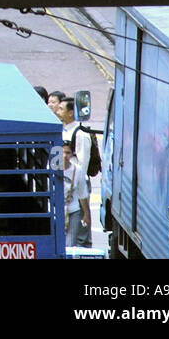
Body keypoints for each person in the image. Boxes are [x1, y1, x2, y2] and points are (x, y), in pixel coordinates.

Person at [58, 98, 93, 246]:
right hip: (66, 182)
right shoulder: (64, 130)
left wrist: (73, 179)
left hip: (77, 183)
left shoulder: (80, 134)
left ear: (71, 113)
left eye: (61, 109)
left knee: (80, 222)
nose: (57, 112)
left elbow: (82, 163)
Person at [62, 140, 90, 248]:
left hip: (73, 211)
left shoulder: (77, 170)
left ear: (72, 154)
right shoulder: (52, 168)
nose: (65, 156)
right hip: (56, 211)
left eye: (68, 153)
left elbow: (82, 194)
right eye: (62, 152)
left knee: (70, 243)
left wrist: (86, 214)